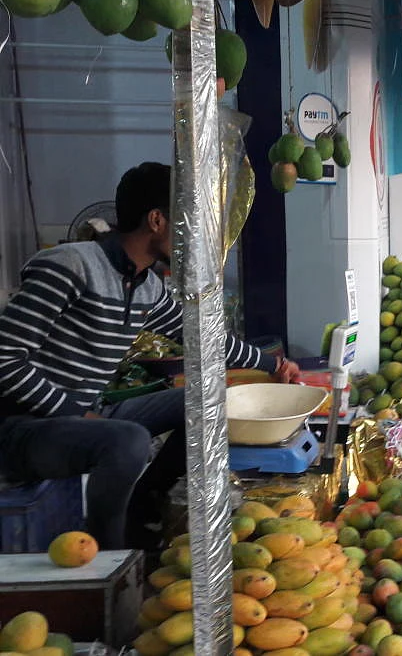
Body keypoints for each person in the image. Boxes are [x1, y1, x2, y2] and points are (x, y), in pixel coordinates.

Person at [0, 162, 300, 551]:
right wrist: (73, 412)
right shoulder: (70, 266)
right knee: (128, 440)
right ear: (157, 220)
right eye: (188, 225)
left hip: (87, 413)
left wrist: (273, 365)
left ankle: (144, 511)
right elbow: (6, 359)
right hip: (24, 429)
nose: (194, 239)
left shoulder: (147, 287)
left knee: (211, 401)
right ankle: (112, 554)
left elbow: (204, 339)